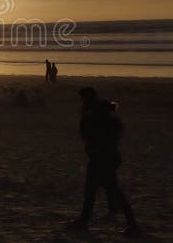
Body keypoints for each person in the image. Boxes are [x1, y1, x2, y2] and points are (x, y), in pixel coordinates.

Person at [70, 87, 139, 236]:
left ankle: (131, 224)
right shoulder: (110, 120)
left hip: (101, 159)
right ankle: (85, 220)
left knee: (109, 190)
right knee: (98, 190)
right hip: (107, 158)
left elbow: (88, 135)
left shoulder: (97, 119)